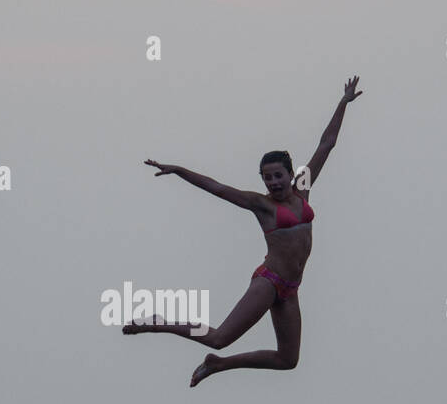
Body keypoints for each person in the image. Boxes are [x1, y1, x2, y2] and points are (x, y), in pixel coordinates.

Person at [127, 77, 362, 386]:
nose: (273, 183)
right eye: (267, 178)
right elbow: (217, 188)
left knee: (288, 360)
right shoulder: (261, 205)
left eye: (278, 176)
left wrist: (343, 102)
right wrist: (179, 170)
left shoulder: (302, 191)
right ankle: (158, 325)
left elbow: (326, 144)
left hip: (290, 289)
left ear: (292, 174)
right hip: (269, 282)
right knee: (219, 337)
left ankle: (218, 365)